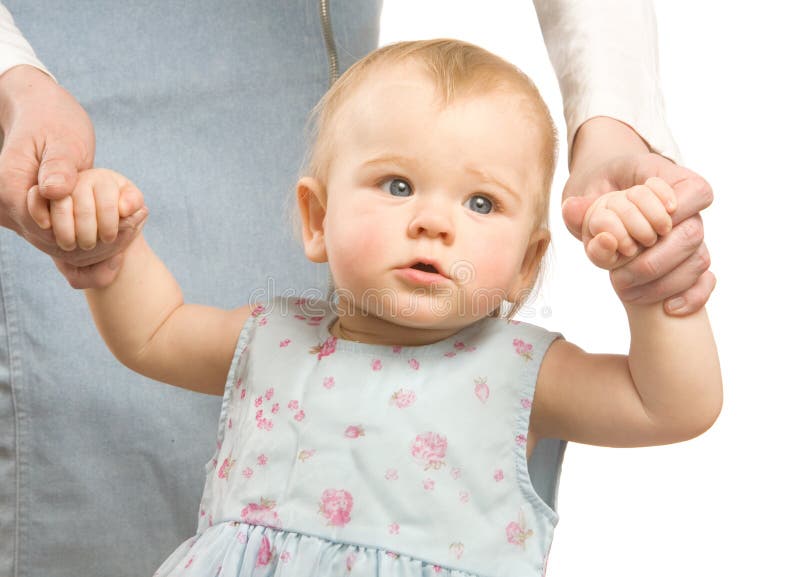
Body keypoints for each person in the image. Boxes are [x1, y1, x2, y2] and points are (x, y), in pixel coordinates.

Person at [0, 2, 715, 576]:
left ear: (527, 265)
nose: (433, 222)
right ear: (317, 218)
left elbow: (673, 404)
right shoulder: (273, 340)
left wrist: (651, 296)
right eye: (398, 185)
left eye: (481, 204)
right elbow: (151, 332)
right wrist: (114, 248)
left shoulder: (525, 376)